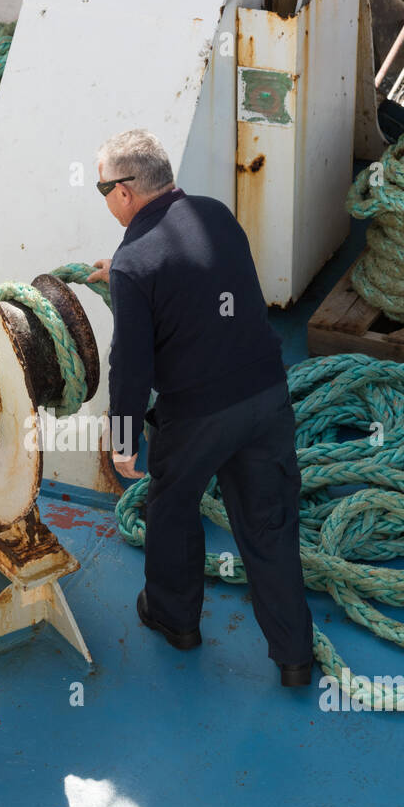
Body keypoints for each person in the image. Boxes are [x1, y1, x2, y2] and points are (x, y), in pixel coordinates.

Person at [88, 129, 313, 683]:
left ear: (124, 191)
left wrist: (123, 441)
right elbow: (204, 284)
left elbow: (131, 367)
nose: (104, 199)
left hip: (197, 416)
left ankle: (175, 620)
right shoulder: (216, 215)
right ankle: (294, 659)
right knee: (269, 525)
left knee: (171, 506)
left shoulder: (135, 263)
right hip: (264, 396)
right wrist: (122, 278)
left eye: (101, 189)